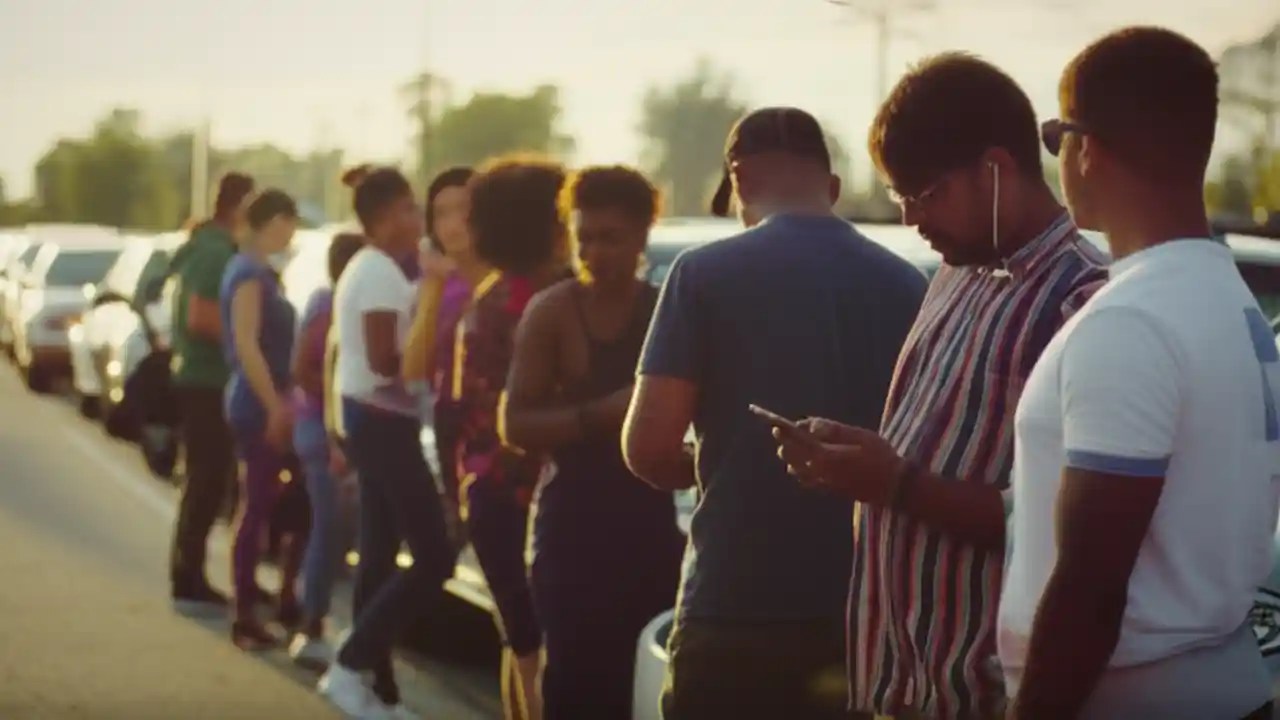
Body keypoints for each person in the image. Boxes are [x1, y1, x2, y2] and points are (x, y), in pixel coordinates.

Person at [771, 56, 1109, 720]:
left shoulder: (1084, 300)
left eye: (924, 194)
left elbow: (1072, 533)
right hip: (896, 684)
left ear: (995, 167)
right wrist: (863, 459)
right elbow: (934, 454)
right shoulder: (955, 273)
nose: (909, 219)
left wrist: (895, 483)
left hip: (986, 697)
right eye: (901, 197)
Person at [999, 28, 1276, 720]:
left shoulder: (1132, 320)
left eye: (1053, 137)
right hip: (1227, 680)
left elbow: (1091, 586)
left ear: (1084, 149)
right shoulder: (1226, 298)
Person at [622, 107, 927, 720]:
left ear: (739, 182)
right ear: (833, 188)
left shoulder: (702, 275)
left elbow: (648, 448)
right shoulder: (909, 283)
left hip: (736, 609)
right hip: (872, 614)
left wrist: (716, 463)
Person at [503, 165, 684, 719]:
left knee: (645, 686)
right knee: (575, 687)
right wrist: (601, 415)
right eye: (584, 237)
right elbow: (514, 424)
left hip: (650, 527)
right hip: (572, 533)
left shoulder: (666, 309)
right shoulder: (554, 312)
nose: (594, 251)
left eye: (611, 237)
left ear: (642, 237)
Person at [318, 167, 453, 720]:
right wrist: (432, 305)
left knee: (376, 555)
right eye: (412, 210)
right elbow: (387, 364)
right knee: (434, 557)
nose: (419, 221)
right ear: (387, 216)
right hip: (382, 422)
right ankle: (350, 666)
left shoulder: (374, 269)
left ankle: (375, 688)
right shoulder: (377, 275)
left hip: (370, 419)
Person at [453, 156, 568, 720]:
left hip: (488, 494)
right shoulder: (561, 301)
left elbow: (458, 406)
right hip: (540, 494)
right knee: (544, 654)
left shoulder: (486, 300)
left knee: (519, 642)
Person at [168, 171, 255, 612]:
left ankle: (191, 573)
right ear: (238, 206)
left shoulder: (212, 247)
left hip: (205, 380)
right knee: (206, 481)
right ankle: (188, 576)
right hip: (205, 381)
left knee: (208, 480)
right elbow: (200, 318)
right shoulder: (214, 251)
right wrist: (248, 336)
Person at [220, 188, 299, 649]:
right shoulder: (249, 272)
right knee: (256, 507)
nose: (291, 233)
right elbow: (247, 344)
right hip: (256, 402)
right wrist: (275, 406)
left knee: (264, 504)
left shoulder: (258, 269)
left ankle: (252, 602)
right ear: (271, 222)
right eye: (288, 222)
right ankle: (244, 610)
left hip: (260, 397)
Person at [288, 231, 364, 667]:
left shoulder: (326, 301)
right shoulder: (329, 306)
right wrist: (340, 407)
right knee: (328, 531)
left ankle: (315, 618)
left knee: (334, 534)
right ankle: (311, 624)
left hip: (324, 432)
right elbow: (303, 369)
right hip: (324, 435)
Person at [402, 166, 486, 514]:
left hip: (494, 430)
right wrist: (434, 288)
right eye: (441, 213)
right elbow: (414, 370)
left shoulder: (503, 282)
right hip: (449, 426)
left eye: (462, 210)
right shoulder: (433, 284)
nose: (453, 223)